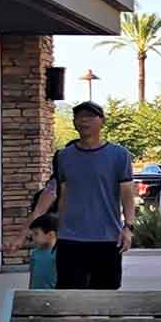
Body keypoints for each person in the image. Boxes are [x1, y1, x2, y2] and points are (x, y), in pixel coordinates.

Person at [52, 100, 135, 290]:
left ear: (102, 121)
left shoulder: (119, 155)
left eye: (90, 116)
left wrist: (128, 228)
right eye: (79, 117)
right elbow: (63, 193)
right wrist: (58, 227)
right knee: (68, 296)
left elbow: (127, 194)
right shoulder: (63, 156)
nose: (84, 121)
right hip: (70, 239)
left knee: (105, 296)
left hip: (106, 238)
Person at [27, 214, 58, 289]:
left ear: (51, 235)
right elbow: (32, 277)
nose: (33, 238)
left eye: (36, 234)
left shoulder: (59, 254)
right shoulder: (34, 254)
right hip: (35, 295)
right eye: (32, 234)